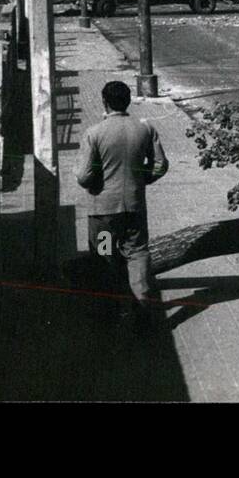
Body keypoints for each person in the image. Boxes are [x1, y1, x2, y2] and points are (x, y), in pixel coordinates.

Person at [76, 80, 170, 327]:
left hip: (103, 212)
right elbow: (160, 164)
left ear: (104, 102)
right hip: (134, 208)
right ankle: (142, 307)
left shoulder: (94, 133)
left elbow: (84, 176)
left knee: (104, 255)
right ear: (128, 101)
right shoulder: (145, 129)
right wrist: (142, 179)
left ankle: (109, 313)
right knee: (137, 253)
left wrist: (95, 183)